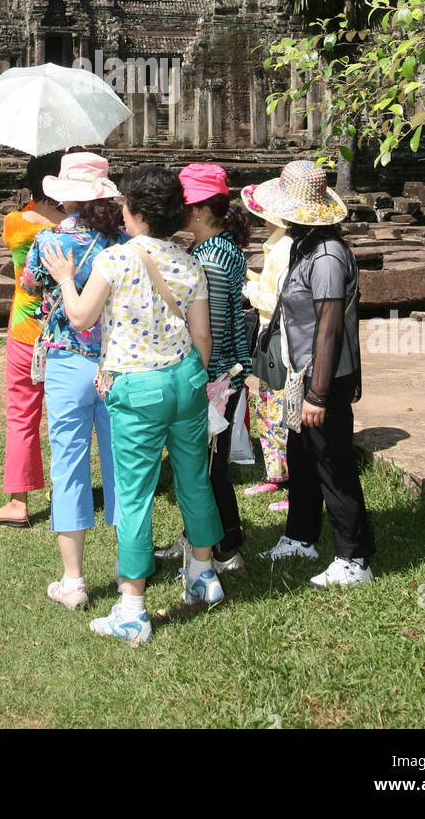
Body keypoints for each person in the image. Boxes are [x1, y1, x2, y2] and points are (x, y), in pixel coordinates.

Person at [41, 163, 225, 645]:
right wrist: (190, 380)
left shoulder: (116, 261)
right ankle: (204, 574)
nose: (120, 210)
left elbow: (81, 317)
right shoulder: (190, 262)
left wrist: (64, 277)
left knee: (136, 493)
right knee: (194, 480)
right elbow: (202, 335)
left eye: (125, 203)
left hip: (137, 388)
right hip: (185, 378)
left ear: (138, 212)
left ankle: (132, 607)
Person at [256, 161, 375, 587]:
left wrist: (318, 395)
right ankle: (301, 535)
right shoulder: (305, 245)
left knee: (334, 465)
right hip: (300, 375)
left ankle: (354, 557)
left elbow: (329, 328)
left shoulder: (326, 256)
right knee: (303, 459)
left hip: (323, 379)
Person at [23, 154, 125, 610]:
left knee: (69, 463)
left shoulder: (49, 240)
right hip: (115, 360)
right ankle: (129, 567)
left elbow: (28, 285)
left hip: (67, 361)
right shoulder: (121, 242)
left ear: (65, 195)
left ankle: (74, 579)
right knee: (123, 463)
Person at [155, 163, 252, 572]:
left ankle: (226, 545)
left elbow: (207, 330)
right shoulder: (221, 247)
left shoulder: (211, 258)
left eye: (182, 205)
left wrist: (199, 377)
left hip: (215, 376)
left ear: (196, 211)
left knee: (208, 469)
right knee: (207, 465)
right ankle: (204, 536)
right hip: (227, 372)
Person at [0, 151, 63, 528]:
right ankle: (64, 487)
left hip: (24, 329)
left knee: (21, 414)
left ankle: (17, 503)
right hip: (67, 332)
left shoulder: (14, 223)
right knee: (68, 416)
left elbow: (28, 225)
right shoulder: (76, 227)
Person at [241, 182, 292, 504]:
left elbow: (279, 301)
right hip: (268, 336)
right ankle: (276, 474)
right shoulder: (277, 245)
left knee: (281, 411)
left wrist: (250, 291)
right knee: (267, 408)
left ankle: (290, 478)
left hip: (281, 338)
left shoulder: (285, 248)